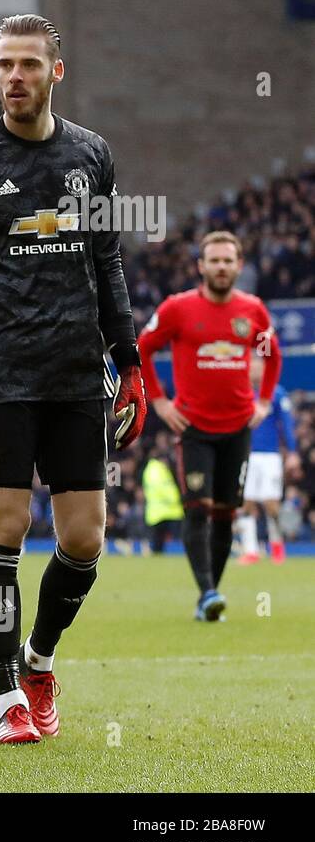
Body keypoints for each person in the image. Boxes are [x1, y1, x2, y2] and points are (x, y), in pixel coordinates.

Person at [0, 15, 146, 745]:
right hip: (2, 371)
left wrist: (132, 361)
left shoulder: (92, 154)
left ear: (57, 71)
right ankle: (5, 697)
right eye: (3, 65)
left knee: (84, 539)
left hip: (80, 371)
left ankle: (39, 660)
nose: (13, 76)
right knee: (5, 526)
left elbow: (108, 259)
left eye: (27, 64)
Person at [137, 230, 280, 619]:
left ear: (239, 266)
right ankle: (207, 593)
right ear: (201, 266)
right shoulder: (176, 309)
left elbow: (271, 353)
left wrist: (264, 401)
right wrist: (161, 402)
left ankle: (210, 594)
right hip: (194, 427)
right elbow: (143, 349)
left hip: (238, 428)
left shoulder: (253, 311)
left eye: (227, 260)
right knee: (197, 509)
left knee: (225, 514)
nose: (221, 267)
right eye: (214, 260)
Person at [237, 355, 296, 565]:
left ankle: (277, 547)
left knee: (271, 504)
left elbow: (287, 425)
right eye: (251, 367)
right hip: (246, 455)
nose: (254, 371)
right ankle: (251, 550)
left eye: (257, 367)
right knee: (246, 503)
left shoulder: (276, 393)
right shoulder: (241, 394)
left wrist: (293, 452)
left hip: (270, 456)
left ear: (264, 369)